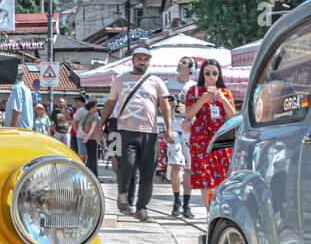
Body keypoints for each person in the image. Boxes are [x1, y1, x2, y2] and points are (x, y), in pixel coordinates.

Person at [98, 45, 173, 221]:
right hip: (125, 131)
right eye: (139, 59)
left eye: (146, 59)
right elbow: (110, 104)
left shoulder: (156, 81)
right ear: (132, 60)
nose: (142, 62)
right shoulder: (120, 80)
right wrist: (100, 126)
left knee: (148, 173)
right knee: (126, 165)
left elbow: (165, 106)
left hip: (150, 133)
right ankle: (123, 192)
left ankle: (142, 208)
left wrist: (169, 128)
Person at [185, 60, 236, 212]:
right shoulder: (194, 91)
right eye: (207, 73)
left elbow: (233, 116)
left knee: (223, 173)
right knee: (205, 175)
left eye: (215, 73)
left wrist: (224, 100)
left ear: (219, 75)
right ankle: (209, 211)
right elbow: (188, 114)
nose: (211, 76)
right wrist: (202, 100)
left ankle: (222, 209)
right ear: (202, 74)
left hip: (221, 136)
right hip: (201, 137)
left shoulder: (225, 92)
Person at [163, 56, 197, 219]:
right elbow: (162, 107)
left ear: (191, 69)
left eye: (184, 63)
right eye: (180, 62)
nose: (179, 64)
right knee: (176, 163)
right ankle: (176, 202)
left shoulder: (196, 87)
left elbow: (200, 109)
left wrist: (189, 113)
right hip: (174, 128)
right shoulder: (168, 85)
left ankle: (186, 204)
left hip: (190, 129)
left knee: (189, 167)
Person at [77, 97, 102, 176]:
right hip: (85, 138)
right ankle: (81, 173)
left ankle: (92, 176)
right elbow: (76, 124)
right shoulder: (83, 111)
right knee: (84, 155)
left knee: (92, 159)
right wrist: (82, 135)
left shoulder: (95, 113)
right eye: (94, 104)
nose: (96, 106)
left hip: (92, 139)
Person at [5, 63, 33, 129]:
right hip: (26, 128)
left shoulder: (16, 89)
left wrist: (11, 129)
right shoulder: (27, 89)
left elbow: (17, 111)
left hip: (18, 129)